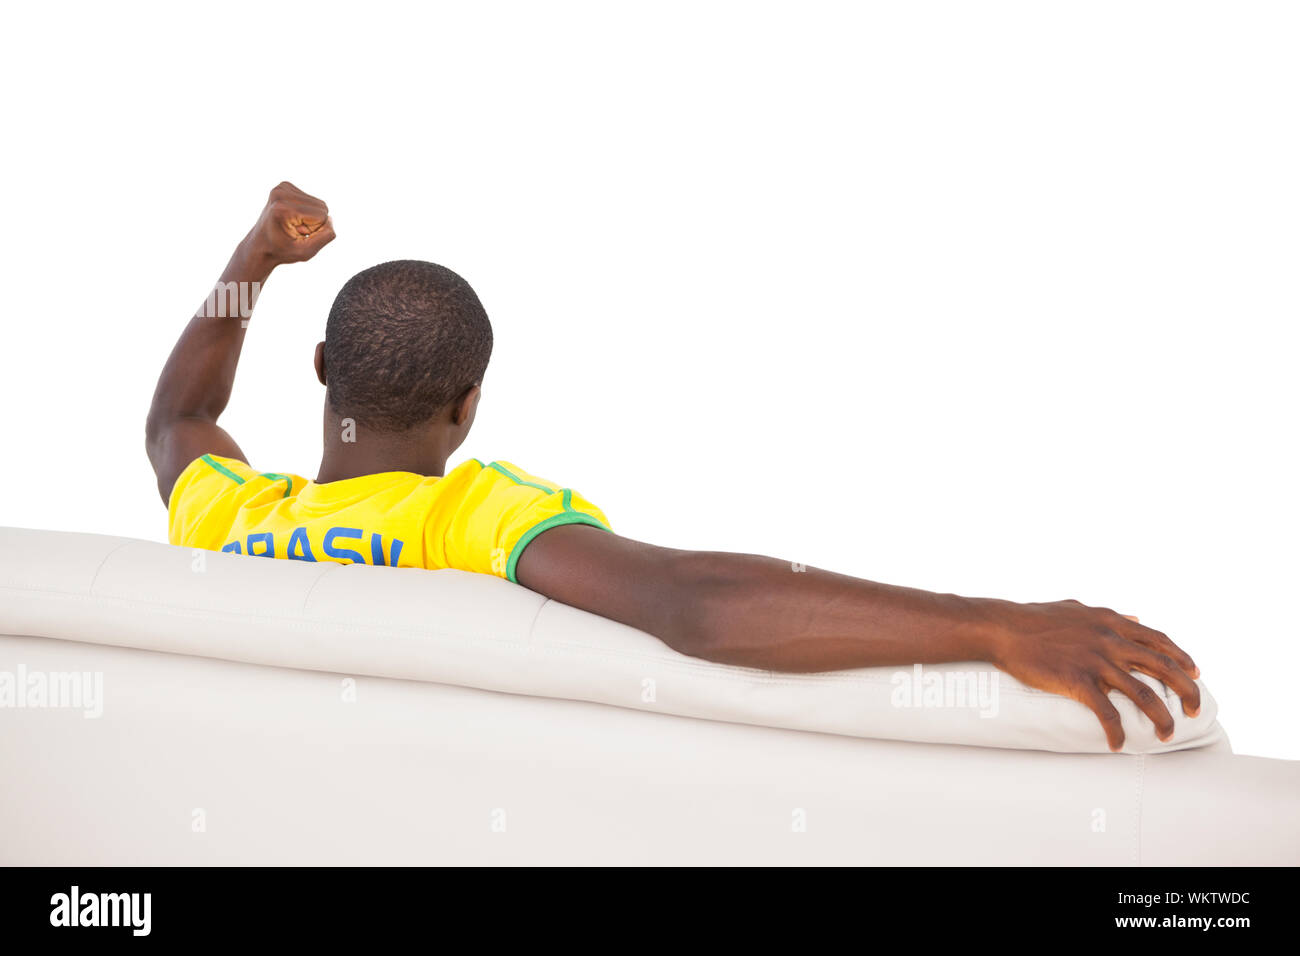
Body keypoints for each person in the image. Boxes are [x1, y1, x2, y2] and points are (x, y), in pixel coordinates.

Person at [147, 182, 1201, 751]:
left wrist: (257, 253)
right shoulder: (468, 516)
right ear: (469, 407)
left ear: (323, 370)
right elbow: (696, 601)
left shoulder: (225, 516)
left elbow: (181, 412)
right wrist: (995, 623)